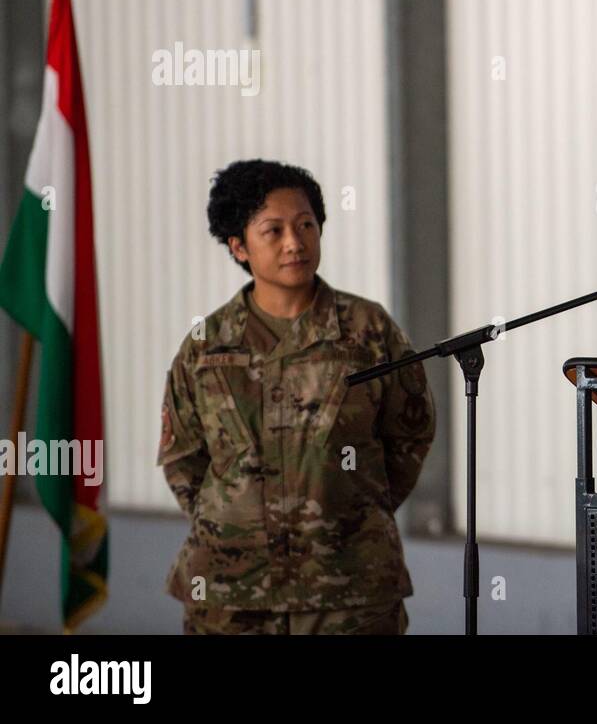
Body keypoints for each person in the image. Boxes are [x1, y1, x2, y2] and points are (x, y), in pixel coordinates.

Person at [157, 159, 436, 634]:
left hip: (349, 588)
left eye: (306, 225)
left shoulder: (368, 331)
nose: (295, 242)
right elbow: (184, 458)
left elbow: (409, 435)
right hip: (232, 592)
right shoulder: (207, 344)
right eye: (274, 230)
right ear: (239, 247)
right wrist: (240, 518)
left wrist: (350, 507)